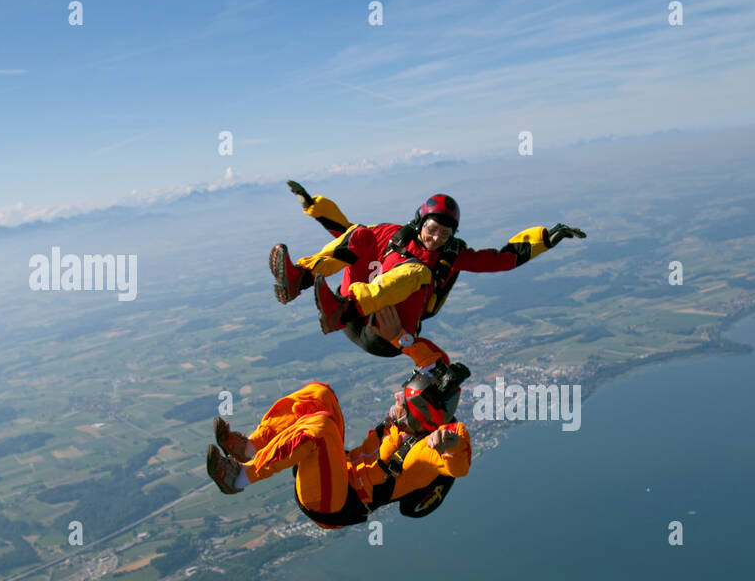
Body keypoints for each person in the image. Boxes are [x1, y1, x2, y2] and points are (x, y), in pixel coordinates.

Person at [268, 181, 586, 357]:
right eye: (432, 229)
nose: (436, 239)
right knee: (362, 233)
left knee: (419, 272)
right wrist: (314, 206)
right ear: (420, 222)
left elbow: (500, 259)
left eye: (444, 235)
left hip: (387, 333)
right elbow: (347, 234)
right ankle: (299, 279)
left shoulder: (451, 256)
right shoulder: (393, 234)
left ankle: (347, 307)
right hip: (351, 319)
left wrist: (545, 238)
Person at [206, 361, 472, 528]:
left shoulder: (426, 450)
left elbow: (459, 466)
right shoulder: (406, 424)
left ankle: (240, 477)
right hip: (335, 473)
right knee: (320, 394)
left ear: (416, 411)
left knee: (321, 428)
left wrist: (450, 442)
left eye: (402, 398)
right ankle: (251, 448)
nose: (395, 397)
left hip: (334, 503)